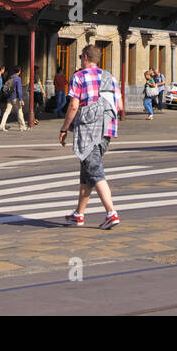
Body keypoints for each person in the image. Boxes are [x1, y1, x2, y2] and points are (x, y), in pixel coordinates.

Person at [59, 44, 120, 229]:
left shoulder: (79, 77)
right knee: (87, 172)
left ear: (85, 57)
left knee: (94, 170)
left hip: (89, 130)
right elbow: (119, 104)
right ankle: (79, 213)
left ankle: (111, 212)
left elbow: (73, 106)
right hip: (107, 128)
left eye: (80, 57)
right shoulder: (110, 77)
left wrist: (64, 128)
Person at [0, 66, 26, 131]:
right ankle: (22, 127)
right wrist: (21, 99)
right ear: (19, 71)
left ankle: (2, 126)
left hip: (9, 97)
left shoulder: (10, 77)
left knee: (7, 112)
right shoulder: (18, 79)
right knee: (19, 112)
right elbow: (19, 90)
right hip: (15, 98)